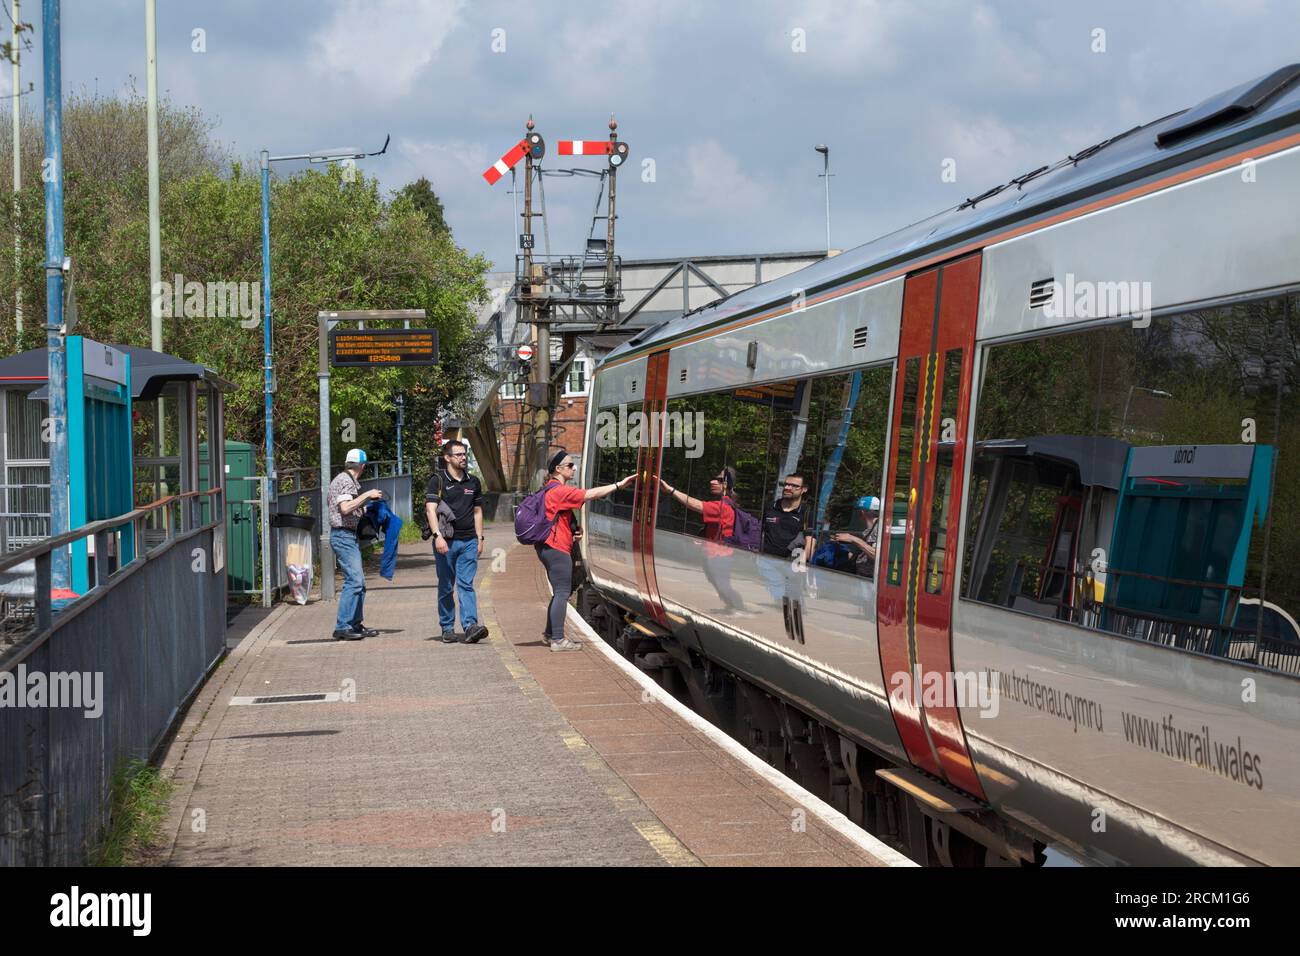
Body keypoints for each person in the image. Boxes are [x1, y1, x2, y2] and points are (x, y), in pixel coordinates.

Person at [535, 449, 635, 651]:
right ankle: (558, 640)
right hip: (556, 548)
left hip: (549, 546)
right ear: (558, 469)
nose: (574, 468)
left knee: (559, 592)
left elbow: (559, 516)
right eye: (570, 465)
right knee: (562, 592)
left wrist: (573, 530)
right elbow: (590, 494)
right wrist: (619, 485)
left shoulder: (549, 489)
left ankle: (549, 634)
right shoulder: (559, 490)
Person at [659, 466, 748, 614]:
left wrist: (670, 490)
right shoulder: (725, 504)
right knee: (720, 584)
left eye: (719, 480)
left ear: (728, 485)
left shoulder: (723, 506)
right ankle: (734, 608)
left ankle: (739, 609)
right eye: (714, 478)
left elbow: (696, 505)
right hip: (715, 555)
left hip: (720, 557)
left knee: (722, 585)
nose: (713, 482)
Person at [426, 440, 488, 644]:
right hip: (446, 542)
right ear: (447, 458)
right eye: (459, 454)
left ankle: (470, 626)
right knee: (446, 586)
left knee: (466, 584)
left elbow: (478, 512)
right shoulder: (438, 480)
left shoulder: (473, 482)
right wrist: (438, 537)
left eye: (464, 454)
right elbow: (430, 510)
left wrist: (480, 538)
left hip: (469, 541)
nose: (463, 458)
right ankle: (447, 626)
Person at [327, 448, 386, 640]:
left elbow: (350, 505)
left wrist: (367, 507)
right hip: (343, 536)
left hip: (348, 536)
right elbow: (345, 508)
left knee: (359, 582)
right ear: (362, 466)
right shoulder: (345, 481)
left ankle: (355, 624)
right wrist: (368, 494)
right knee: (354, 581)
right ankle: (342, 626)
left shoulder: (347, 480)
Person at [759, 474, 815, 604]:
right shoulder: (770, 507)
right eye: (786, 484)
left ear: (804, 489)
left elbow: (811, 539)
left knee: (794, 600)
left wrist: (804, 560)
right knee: (780, 598)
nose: (788, 488)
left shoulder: (806, 512)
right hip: (768, 561)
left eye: (794, 486)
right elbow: (759, 530)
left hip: (793, 561)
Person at [831, 495, 881, 578]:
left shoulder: (879, 529)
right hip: (862, 578)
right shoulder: (868, 531)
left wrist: (852, 539)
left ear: (862, 512)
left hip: (870, 581)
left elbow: (877, 555)